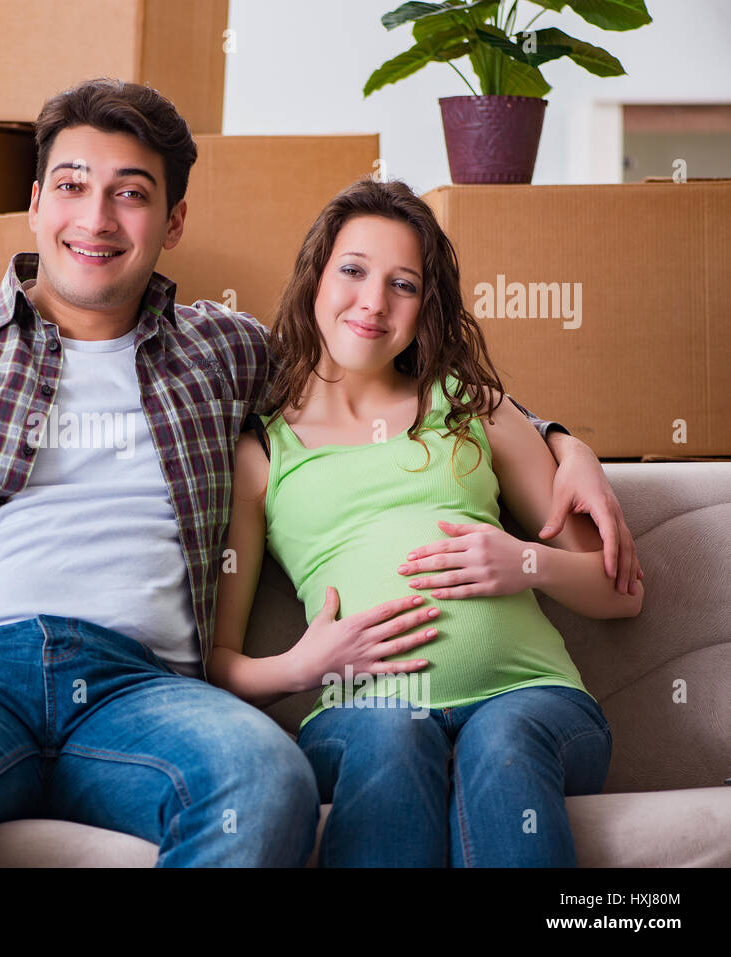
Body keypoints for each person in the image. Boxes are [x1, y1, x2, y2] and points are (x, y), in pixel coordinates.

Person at [0, 78, 640, 867]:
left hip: (140, 687)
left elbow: (374, 373)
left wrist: (567, 446)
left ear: (174, 218)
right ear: (34, 205)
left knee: (264, 782)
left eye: (131, 192)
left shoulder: (227, 354)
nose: (95, 219)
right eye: (71, 185)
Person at [208, 178, 644, 867]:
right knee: (393, 731)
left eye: (403, 284)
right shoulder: (260, 452)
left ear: (425, 306)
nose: (373, 302)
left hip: (532, 699)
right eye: (353, 270)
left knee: (503, 742)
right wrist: (301, 665)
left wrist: (525, 560)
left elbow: (623, 593)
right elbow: (218, 660)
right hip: (362, 717)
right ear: (315, 279)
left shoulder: (475, 408)